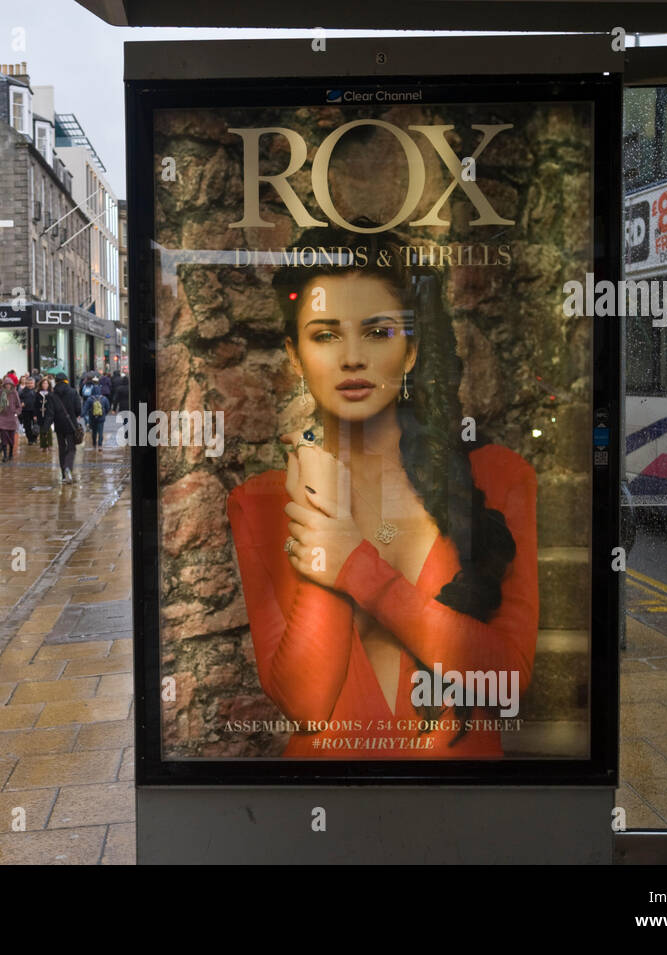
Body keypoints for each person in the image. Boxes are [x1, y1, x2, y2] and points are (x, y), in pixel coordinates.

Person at [227, 226, 538, 759]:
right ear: (295, 357)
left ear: (411, 351)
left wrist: (354, 566)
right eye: (325, 335)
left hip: (464, 803)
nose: (352, 357)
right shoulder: (258, 502)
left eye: (377, 332)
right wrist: (323, 506)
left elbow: (506, 677)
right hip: (323, 811)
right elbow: (306, 705)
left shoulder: (499, 477)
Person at [48, 372, 83, 484]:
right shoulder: (73, 392)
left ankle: (63, 475)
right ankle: (68, 467)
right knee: (71, 448)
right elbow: (78, 409)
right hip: (71, 423)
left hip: (58, 425)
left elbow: (50, 412)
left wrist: (44, 427)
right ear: (66, 380)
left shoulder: (52, 394)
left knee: (62, 448)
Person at [0, 376, 22, 461]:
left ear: (12, 385)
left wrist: (16, 413)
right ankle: (5, 455)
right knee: (3, 436)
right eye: (6, 384)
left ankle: (10, 453)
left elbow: (19, 406)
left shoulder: (14, 393)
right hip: (2, 418)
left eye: (9, 384)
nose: (8, 386)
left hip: (12, 418)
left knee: (11, 437)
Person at [86, 387, 110, 452]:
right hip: (101, 418)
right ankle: (100, 445)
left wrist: (83, 414)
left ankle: (94, 444)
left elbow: (86, 408)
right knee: (100, 432)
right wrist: (104, 413)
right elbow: (108, 408)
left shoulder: (90, 399)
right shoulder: (104, 398)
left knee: (94, 431)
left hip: (92, 418)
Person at [20, 377, 40, 445]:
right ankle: (30, 439)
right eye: (28, 383)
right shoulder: (23, 391)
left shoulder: (36, 391)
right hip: (26, 411)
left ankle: (35, 437)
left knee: (36, 425)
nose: (30, 385)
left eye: (31, 383)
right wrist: (22, 402)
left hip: (35, 411)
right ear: (26, 384)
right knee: (27, 426)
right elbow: (20, 399)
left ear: (34, 384)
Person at [37, 376, 55, 452]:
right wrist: (35, 414)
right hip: (40, 413)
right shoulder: (38, 394)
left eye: (46, 383)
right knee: (41, 429)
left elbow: (53, 404)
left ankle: (50, 444)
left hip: (49, 413)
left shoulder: (51, 394)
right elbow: (35, 405)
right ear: (41, 385)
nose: (45, 385)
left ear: (48, 385)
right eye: (43, 383)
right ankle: (43, 445)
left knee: (48, 428)